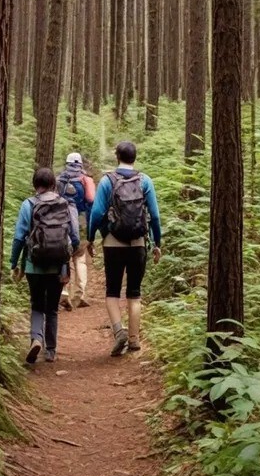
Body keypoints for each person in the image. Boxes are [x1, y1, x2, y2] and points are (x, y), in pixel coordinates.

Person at [88, 141, 162, 356]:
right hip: (138, 243)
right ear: (134, 157)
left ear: (117, 156)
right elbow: (155, 216)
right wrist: (157, 243)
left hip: (113, 243)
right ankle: (134, 339)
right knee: (134, 293)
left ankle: (118, 330)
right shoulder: (145, 180)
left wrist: (91, 238)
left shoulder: (107, 181)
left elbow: (96, 213)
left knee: (112, 290)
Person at [11, 167, 79, 364]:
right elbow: (74, 237)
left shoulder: (28, 204)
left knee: (37, 305)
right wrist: (67, 257)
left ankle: (36, 338)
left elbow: (18, 237)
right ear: (54, 185)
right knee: (52, 308)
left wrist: (14, 261)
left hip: (34, 265)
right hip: (58, 265)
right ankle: (50, 350)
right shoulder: (65, 204)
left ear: (35, 185)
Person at [56, 151, 95, 310]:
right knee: (79, 258)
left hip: (60, 221)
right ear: (81, 164)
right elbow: (92, 200)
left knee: (64, 256)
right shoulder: (86, 179)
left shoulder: (59, 179)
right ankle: (80, 294)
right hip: (81, 221)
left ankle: (64, 291)